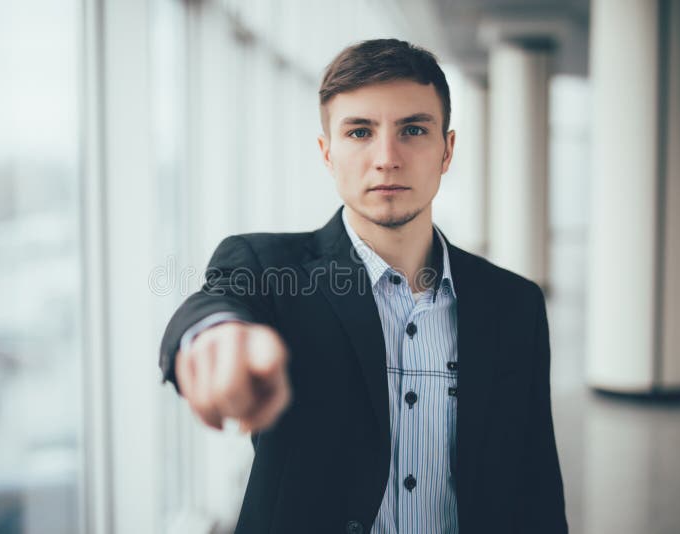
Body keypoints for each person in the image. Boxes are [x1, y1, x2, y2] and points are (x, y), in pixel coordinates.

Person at [159, 38, 567, 534]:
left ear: (447, 149)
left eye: (413, 129)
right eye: (359, 132)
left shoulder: (515, 305)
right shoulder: (268, 270)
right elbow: (218, 302)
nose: (387, 158)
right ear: (327, 152)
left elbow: (535, 485)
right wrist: (216, 333)